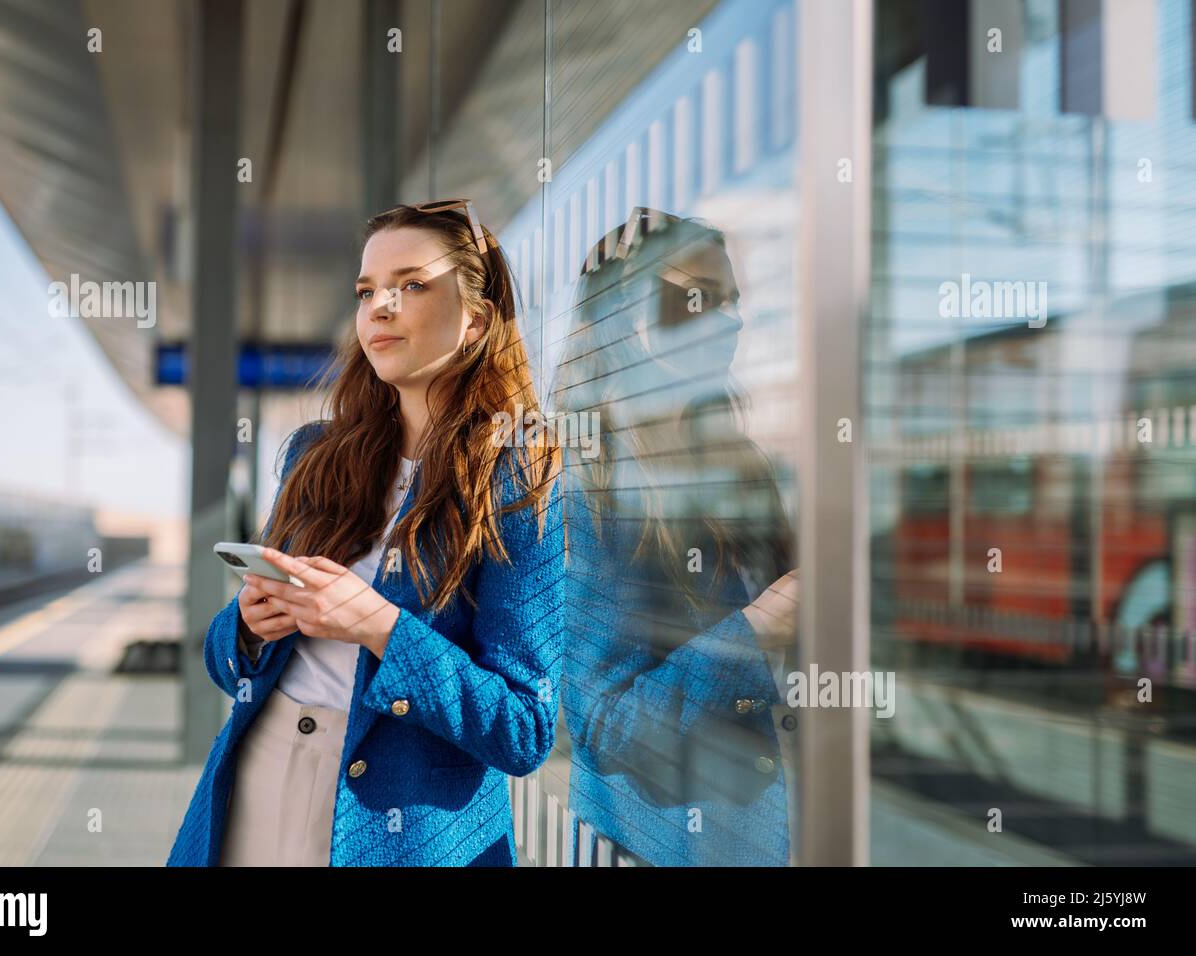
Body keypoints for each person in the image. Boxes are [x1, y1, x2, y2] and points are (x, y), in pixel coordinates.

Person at [166, 200, 565, 867]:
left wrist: (382, 626)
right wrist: (246, 624)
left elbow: (524, 729)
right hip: (256, 784)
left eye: (411, 285)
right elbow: (224, 661)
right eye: (366, 290)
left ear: (476, 320)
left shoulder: (520, 475)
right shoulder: (313, 453)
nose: (380, 305)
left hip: (404, 832)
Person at [553, 207, 799, 866]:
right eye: (699, 298)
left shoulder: (739, 462)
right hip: (650, 843)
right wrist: (759, 628)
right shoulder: (588, 485)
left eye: (732, 301)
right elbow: (606, 726)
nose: (732, 319)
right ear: (622, 323)